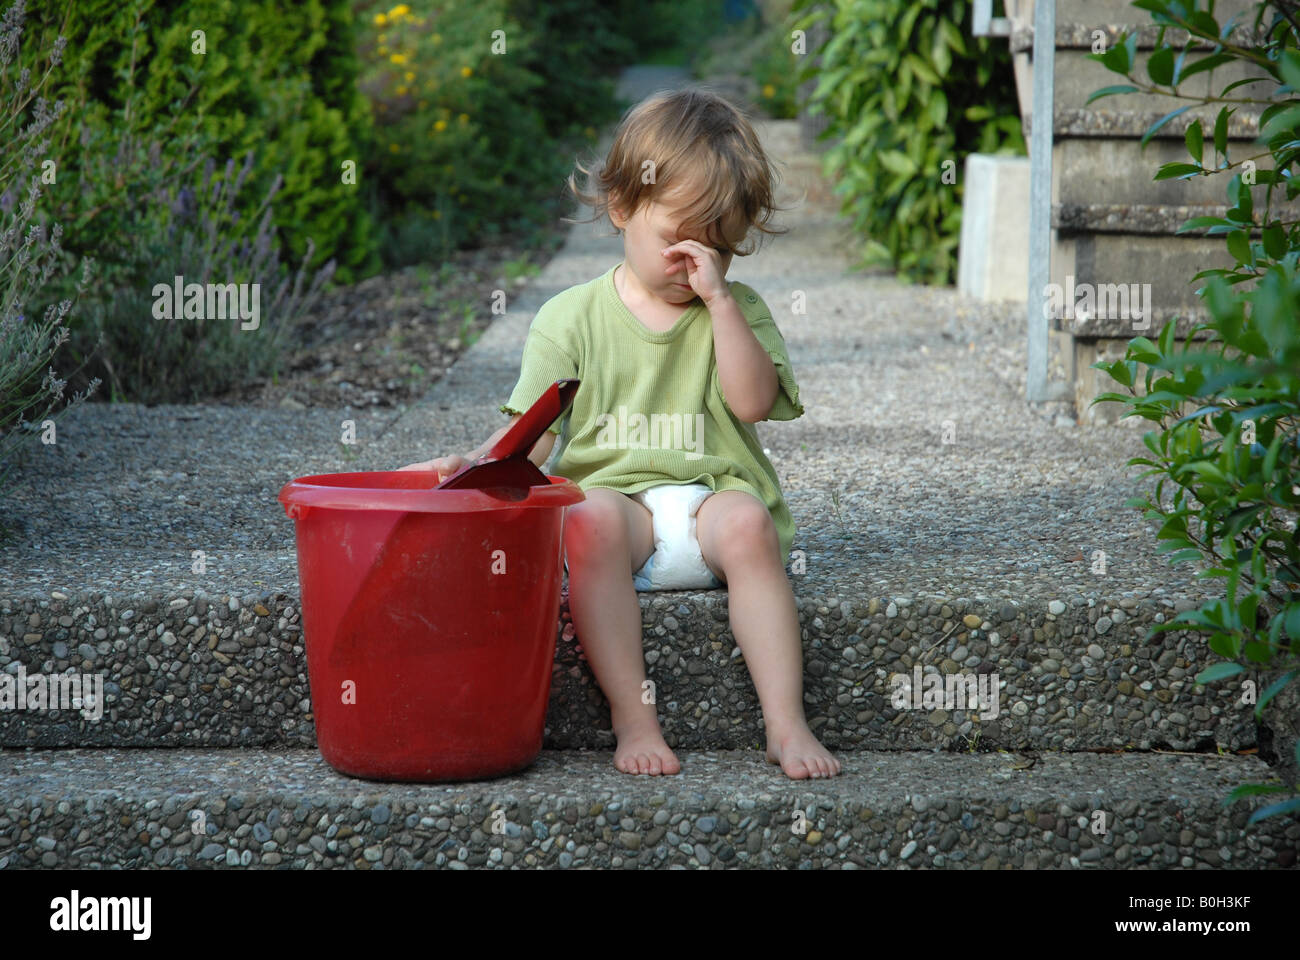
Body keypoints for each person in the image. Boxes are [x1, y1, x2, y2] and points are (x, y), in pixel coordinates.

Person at [400, 88, 841, 780]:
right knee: (587, 515)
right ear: (621, 208)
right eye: (677, 240)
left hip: (709, 501)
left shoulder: (738, 308)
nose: (694, 263)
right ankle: (633, 717)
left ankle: (785, 723)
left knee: (750, 524)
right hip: (619, 509)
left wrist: (722, 302)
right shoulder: (570, 318)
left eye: (716, 246)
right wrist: (476, 464)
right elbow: (536, 436)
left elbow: (751, 403)